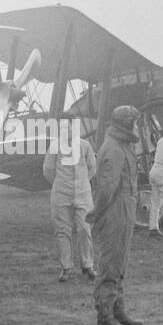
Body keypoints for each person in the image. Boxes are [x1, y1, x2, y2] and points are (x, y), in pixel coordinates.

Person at [88, 105, 143, 325]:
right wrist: (97, 214)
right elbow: (106, 189)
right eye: (136, 121)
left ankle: (118, 311)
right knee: (110, 265)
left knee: (120, 264)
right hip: (114, 212)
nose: (138, 125)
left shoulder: (123, 145)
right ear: (128, 123)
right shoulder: (114, 149)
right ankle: (105, 316)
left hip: (124, 211)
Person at [43, 114, 98, 280]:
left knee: (85, 228)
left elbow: (92, 168)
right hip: (61, 192)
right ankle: (66, 267)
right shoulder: (54, 147)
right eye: (62, 127)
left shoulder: (85, 146)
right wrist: (61, 184)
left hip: (82, 192)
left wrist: (81, 184)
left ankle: (87, 265)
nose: (65, 130)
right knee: (62, 230)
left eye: (68, 127)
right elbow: (48, 170)